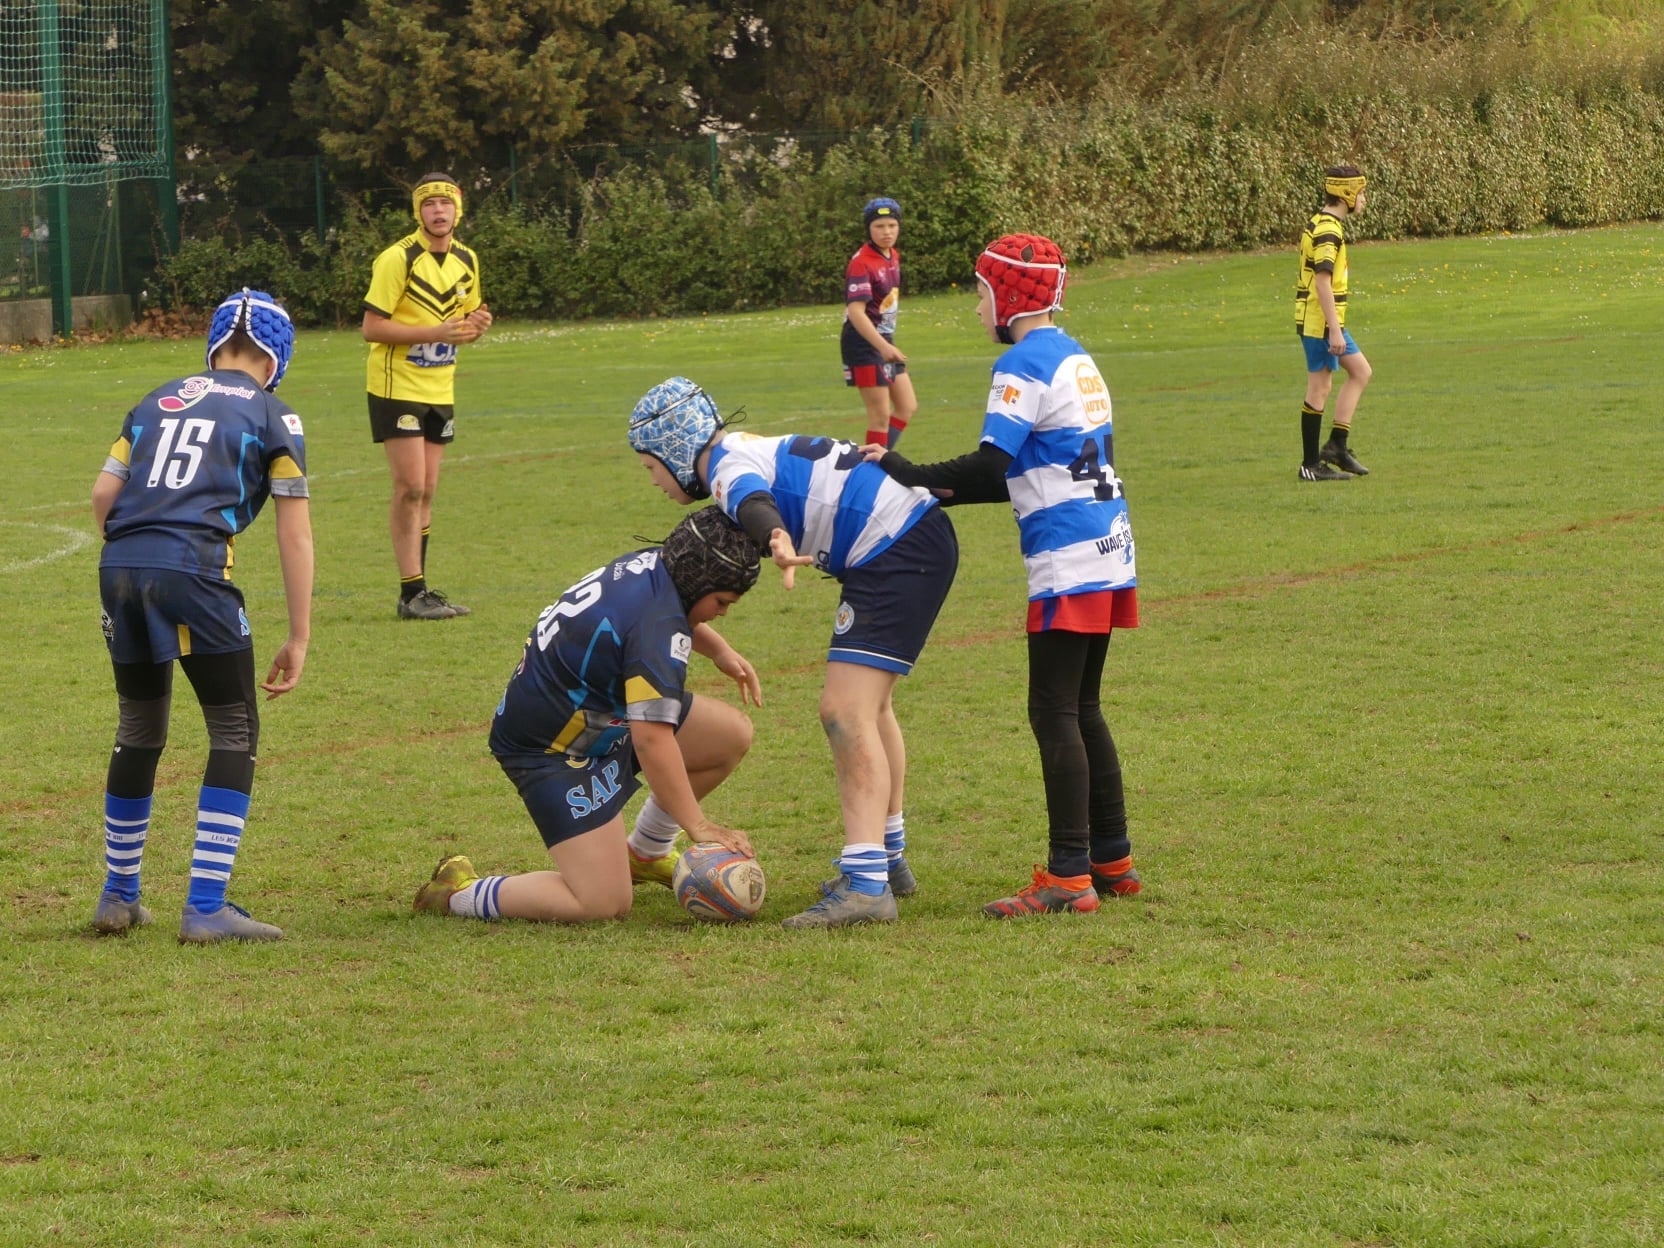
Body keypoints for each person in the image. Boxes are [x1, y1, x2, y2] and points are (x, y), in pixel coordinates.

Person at [865, 234, 1143, 918]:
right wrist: (932, 489)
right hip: (1109, 542)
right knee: (1083, 707)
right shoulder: (1075, 356)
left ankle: (1068, 877)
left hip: (1068, 554)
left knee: (1053, 710)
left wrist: (908, 473)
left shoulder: (1021, 363)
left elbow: (993, 467)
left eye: (983, 290)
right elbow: (1021, 472)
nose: (978, 303)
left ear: (1010, 295)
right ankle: (1111, 859)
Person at [628, 377, 958, 929]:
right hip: (909, 538)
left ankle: (865, 886)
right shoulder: (739, 450)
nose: (655, 481)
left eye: (651, 466)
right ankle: (886, 860)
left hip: (897, 546)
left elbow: (754, 502)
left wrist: (776, 538)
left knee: (844, 712)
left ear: (675, 448)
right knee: (871, 710)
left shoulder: (726, 469)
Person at [90, 288, 314, 943]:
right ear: (277, 358)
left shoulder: (155, 399)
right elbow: (294, 536)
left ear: (214, 348)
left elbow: (104, 493)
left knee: (140, 726)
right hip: (193, 569)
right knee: (235, 731)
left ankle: (118, 895)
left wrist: (136, 555)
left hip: (120, 566)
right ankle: (206, 907)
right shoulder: (276, 416)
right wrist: (299, 635)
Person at [413, 508, 763, 924]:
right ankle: (457, 893)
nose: (722, 612)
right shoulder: (658, 629)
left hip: (600, 719)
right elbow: (653, 740)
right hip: (549, 749)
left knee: (728, 736)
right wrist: (698, 825)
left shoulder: (656, 565)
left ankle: (645, 854)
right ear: (696, 580)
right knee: (601, 904)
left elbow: (649, 620)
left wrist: (719, 650)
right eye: (721, 601)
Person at [362, 172, 492, 619]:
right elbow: (371, 327)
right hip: (396, 384)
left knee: (428, 489)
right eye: (429, 204)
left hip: (440, 386)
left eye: (446, 203)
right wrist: (433, 331)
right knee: (410, 486)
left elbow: (463, 323)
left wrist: (473, 330)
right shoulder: (397, 258)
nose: (439, 211)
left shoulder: (467, 260)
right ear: (418, 212)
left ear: (458, 209)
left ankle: (421, 593)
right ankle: (410, 592)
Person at [1294, 165, 1373, 481]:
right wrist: (1335, 330)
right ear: (1347, 194)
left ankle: (1337, 446)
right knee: (1320, 388)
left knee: (1361, 371)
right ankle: (1310, 465)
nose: (1364, 199)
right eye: (1362, 193)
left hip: (1327, 321)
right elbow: (1322, 282)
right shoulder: (1329, 230)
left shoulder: (1324, 222)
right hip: (1321, 323)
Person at [842, 196, 917, 450]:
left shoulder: (892, 255)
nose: (887, 232)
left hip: (883, 340)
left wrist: (886, 343)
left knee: (907, 406)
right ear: (868, 229)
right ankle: (871, 475)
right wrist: (883, 347)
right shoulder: (861, 263)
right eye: (879, 226)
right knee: (880, 417)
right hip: (862, 343)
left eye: (892, 226)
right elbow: (855, 312)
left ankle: (882, 460)